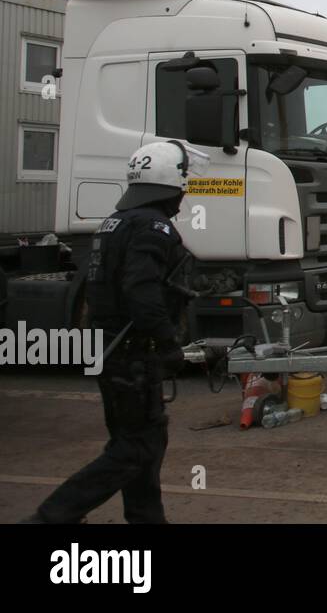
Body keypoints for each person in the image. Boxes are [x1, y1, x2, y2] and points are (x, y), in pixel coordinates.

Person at [28, 141, 202, 524]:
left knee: (143, 443)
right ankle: (51, 517)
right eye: (183, 185)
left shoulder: (116, 222)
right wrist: (168, 342)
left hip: (111, 350)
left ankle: (145, 519)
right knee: (134, 449)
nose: (183, 195)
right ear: (171, 184)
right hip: (132, 355)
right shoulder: (153, 227)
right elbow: (142, 292)